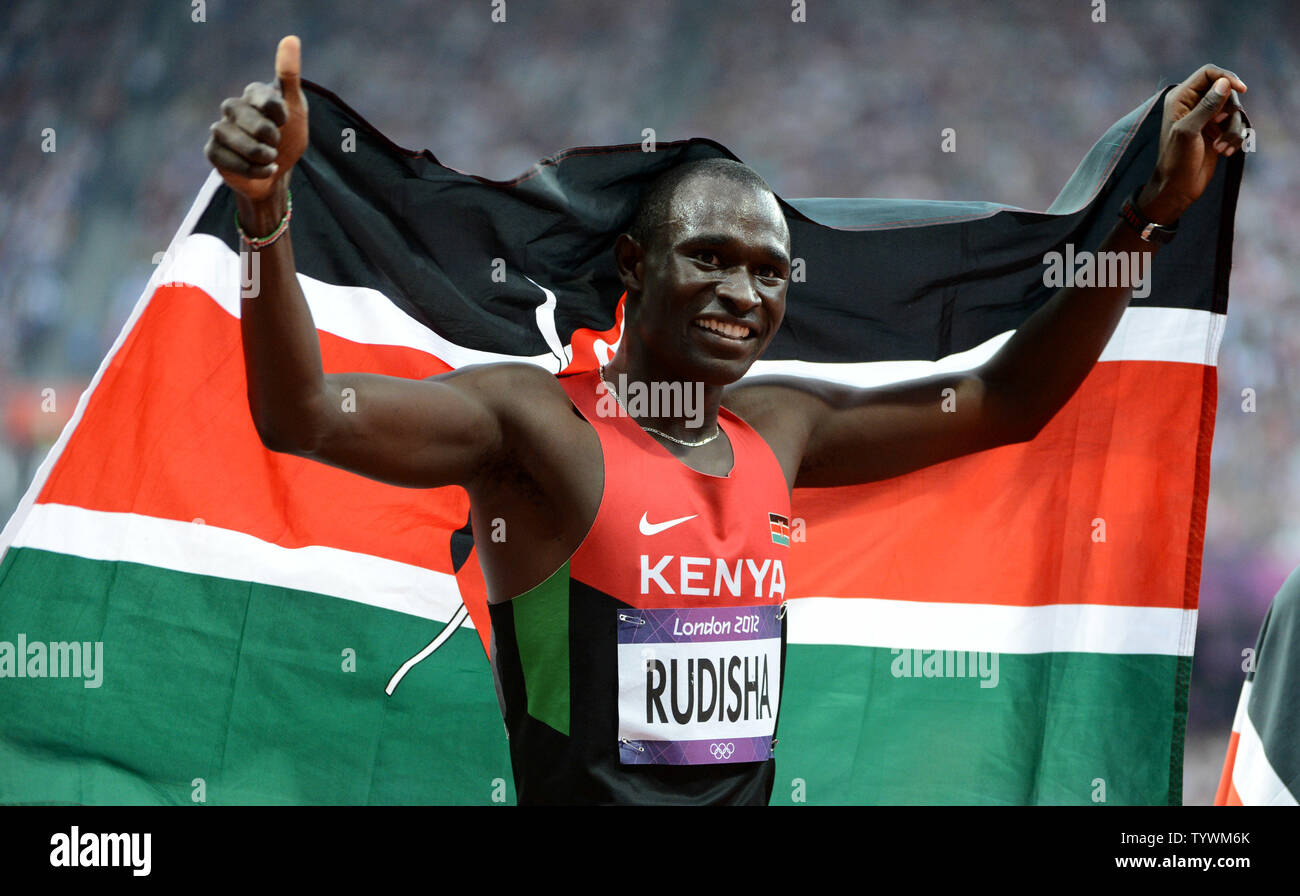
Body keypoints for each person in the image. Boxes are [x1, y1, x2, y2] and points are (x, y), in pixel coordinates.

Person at [205, 35, 1246, 805]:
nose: (741, 292)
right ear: (633, 266)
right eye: (707, 257)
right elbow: (301, 412)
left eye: (764, 271)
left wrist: (1147, 217)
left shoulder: (777, 430)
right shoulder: (534, 425)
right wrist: (266, 216)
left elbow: (1005, 402)